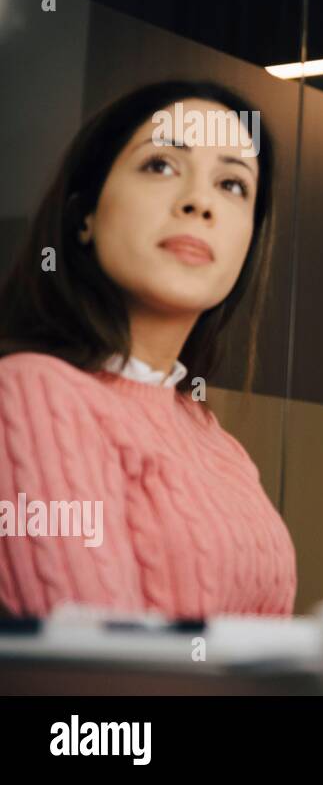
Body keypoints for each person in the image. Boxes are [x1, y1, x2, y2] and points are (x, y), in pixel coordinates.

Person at [0, 81, 296, 618]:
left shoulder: (213, 440)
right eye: (161, 165)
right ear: (83, 213)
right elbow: (91, 678)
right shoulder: (29, 394)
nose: (199, 202)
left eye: (232, 184)